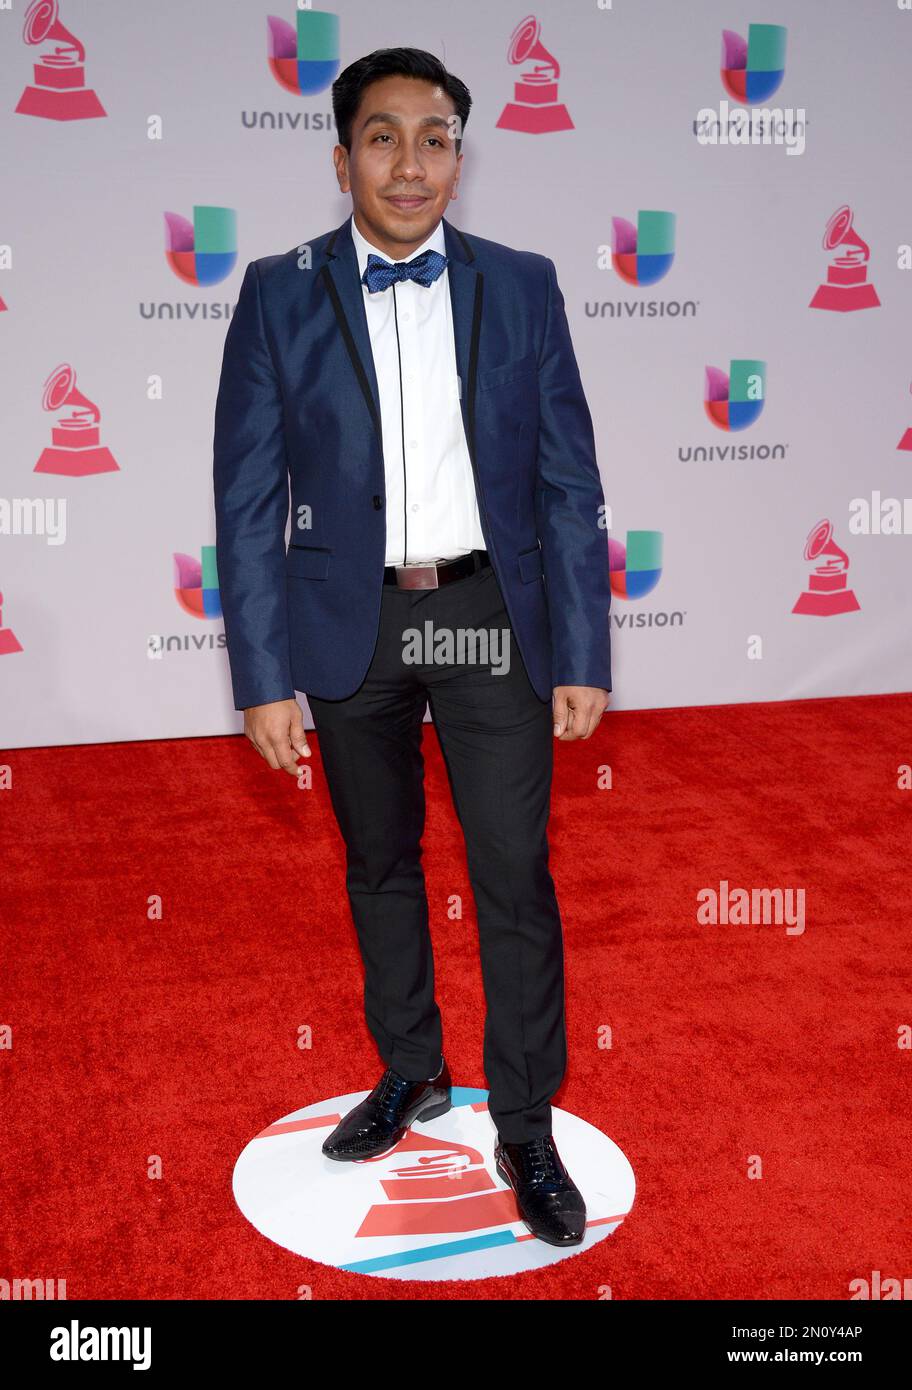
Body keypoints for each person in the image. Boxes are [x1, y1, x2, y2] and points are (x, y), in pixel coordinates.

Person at [213, 47, 611, 1247]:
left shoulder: (527, 285)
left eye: (434, 138)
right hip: (351, 623)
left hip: (492, 614)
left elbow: (568, 478)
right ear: (343, 159)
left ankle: (527, 1119)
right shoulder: (276, 292)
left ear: (459, 156)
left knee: (512, 873)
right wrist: (260, 673)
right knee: (378, 861)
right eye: (383, 138)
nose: (410, 162)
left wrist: (585, 645)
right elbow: (243, 495)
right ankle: (412, 1068)